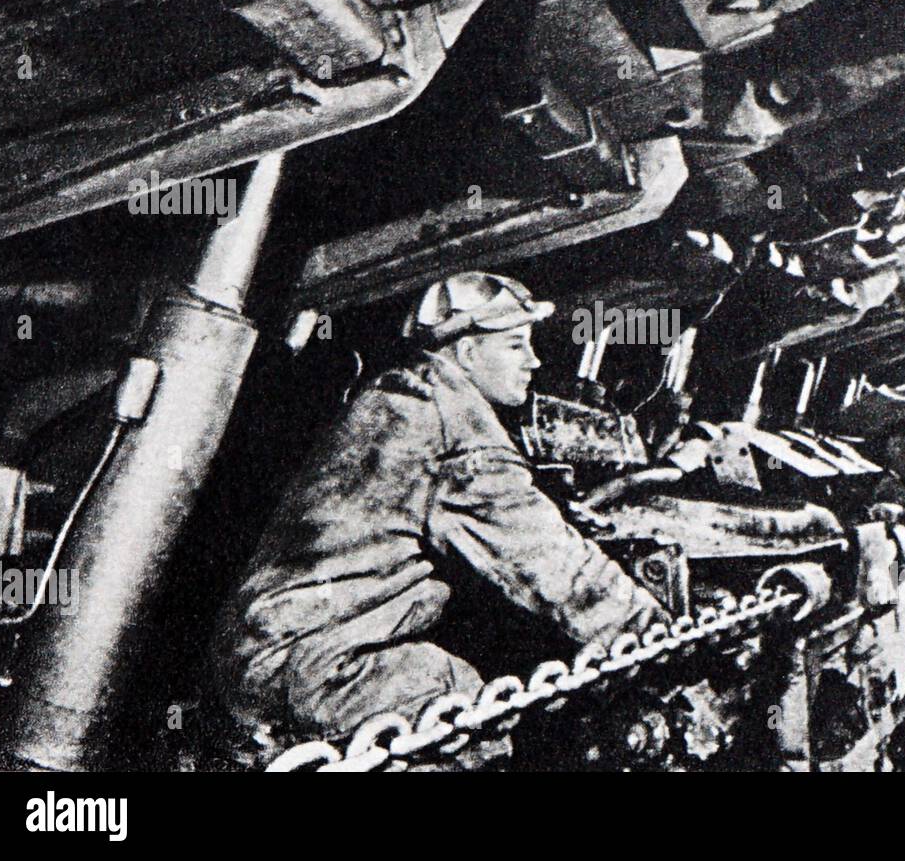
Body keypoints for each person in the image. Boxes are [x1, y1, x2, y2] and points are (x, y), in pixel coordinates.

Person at [213, 272, 668, 767]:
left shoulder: (399, 394)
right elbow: (548, 562)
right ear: (468, 355)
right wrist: (656, 634)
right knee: (469, 722)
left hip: (260, 647)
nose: (533, 361)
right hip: (318, 664)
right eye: (515, 346)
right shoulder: (454, 422)